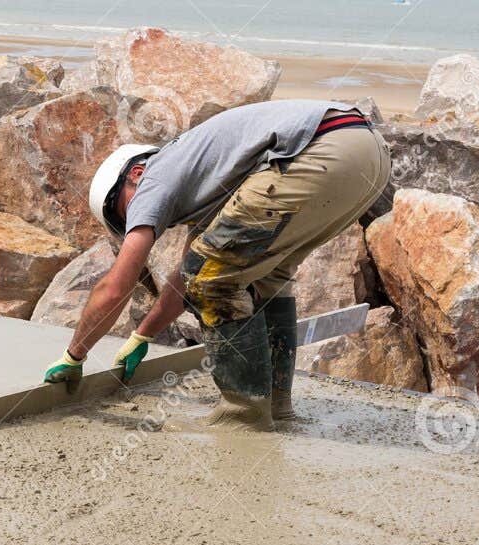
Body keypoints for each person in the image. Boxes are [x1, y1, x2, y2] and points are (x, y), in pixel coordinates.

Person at [42, 99, 392, 429]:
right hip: (367, 153)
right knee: (262, 277)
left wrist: (75, 356)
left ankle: (242, 419)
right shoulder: (206, 180)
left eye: (124, 213)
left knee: (212, 280)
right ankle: (275, 408)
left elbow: (118, 285)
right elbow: (187, 277)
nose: (133, 221)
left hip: (319, 149)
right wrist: (142, 335)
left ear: (134, 174)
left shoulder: (156, 174)